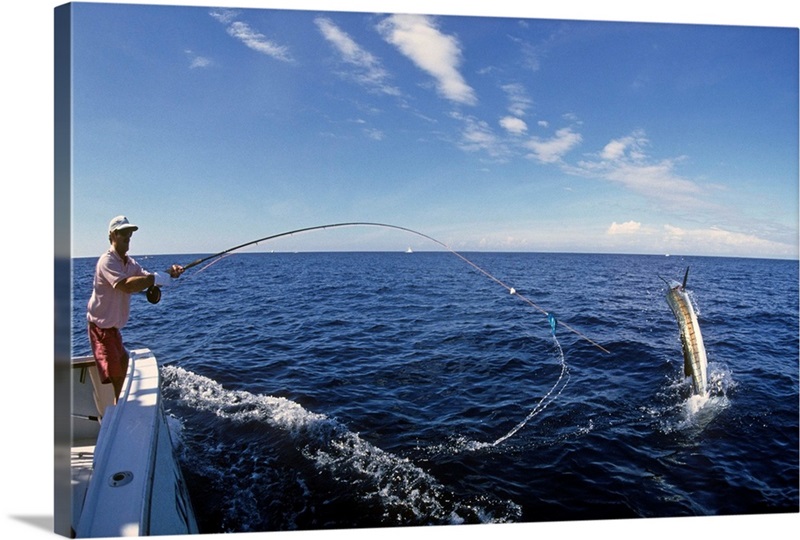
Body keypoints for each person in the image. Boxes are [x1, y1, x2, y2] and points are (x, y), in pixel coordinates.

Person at [86, 215, 184, 401]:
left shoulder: (130, 264)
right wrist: (156, 278)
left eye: (130, 232)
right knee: (118, 379)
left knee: (124, 370)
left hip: (114, 330)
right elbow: (127, 285)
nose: (128, 236)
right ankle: (120, 418)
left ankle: (122, 407)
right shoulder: (107, 261)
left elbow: (146, 279)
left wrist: (170, 273)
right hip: (100, 330)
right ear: (113, 235)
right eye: (123, 232)